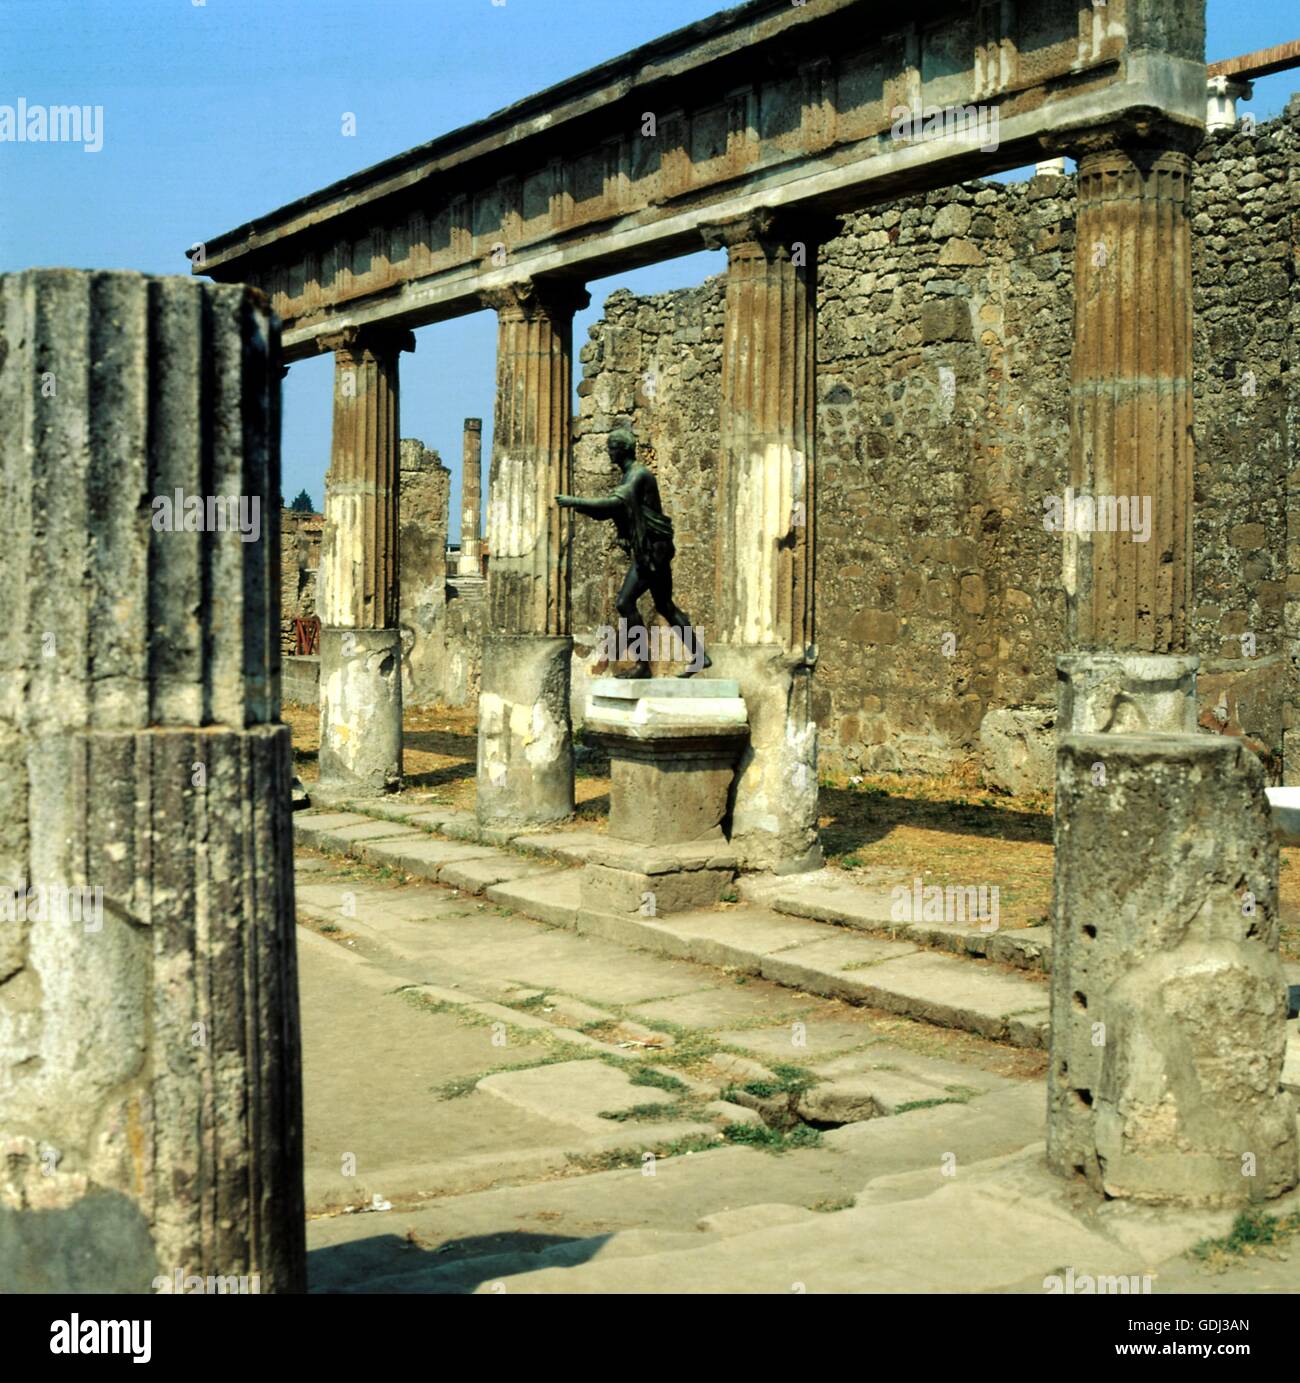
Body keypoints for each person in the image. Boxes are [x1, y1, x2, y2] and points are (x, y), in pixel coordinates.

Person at [556, 426, 709, 678]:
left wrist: (574, 502)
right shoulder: (630, 475)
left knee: (624, 602)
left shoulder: (638, 475)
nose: (608, 454)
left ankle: (643, 665)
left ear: (623, 449)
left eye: (611, 448)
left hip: (653, 551)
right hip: (655, 548)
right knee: (665, 605)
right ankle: (700, 656)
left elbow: (613, 505)